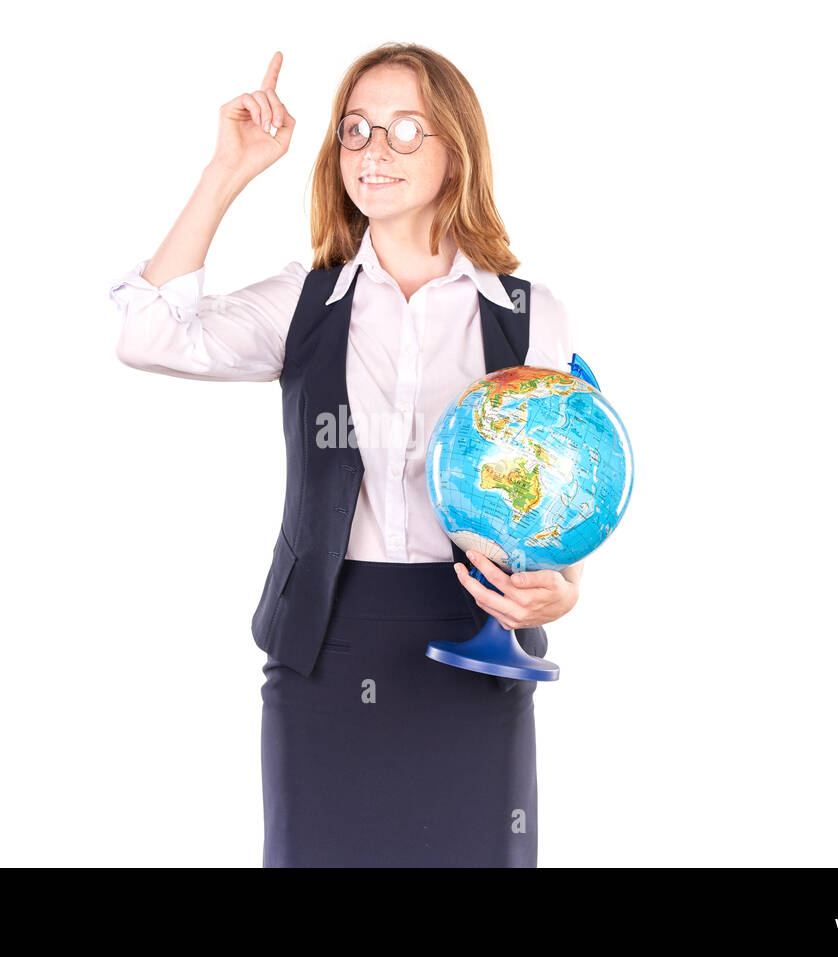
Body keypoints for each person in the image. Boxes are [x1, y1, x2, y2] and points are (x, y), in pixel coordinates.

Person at [109, 43, 586, 867]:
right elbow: (145, 332)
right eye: (355, 130)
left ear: (455, 150)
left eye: (405, 129)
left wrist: (564, 591)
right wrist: (228, 171)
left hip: (474, 639)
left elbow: (558, 492)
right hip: (324, 649)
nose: (374, 150)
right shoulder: (305, 302)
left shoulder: (528, 315)